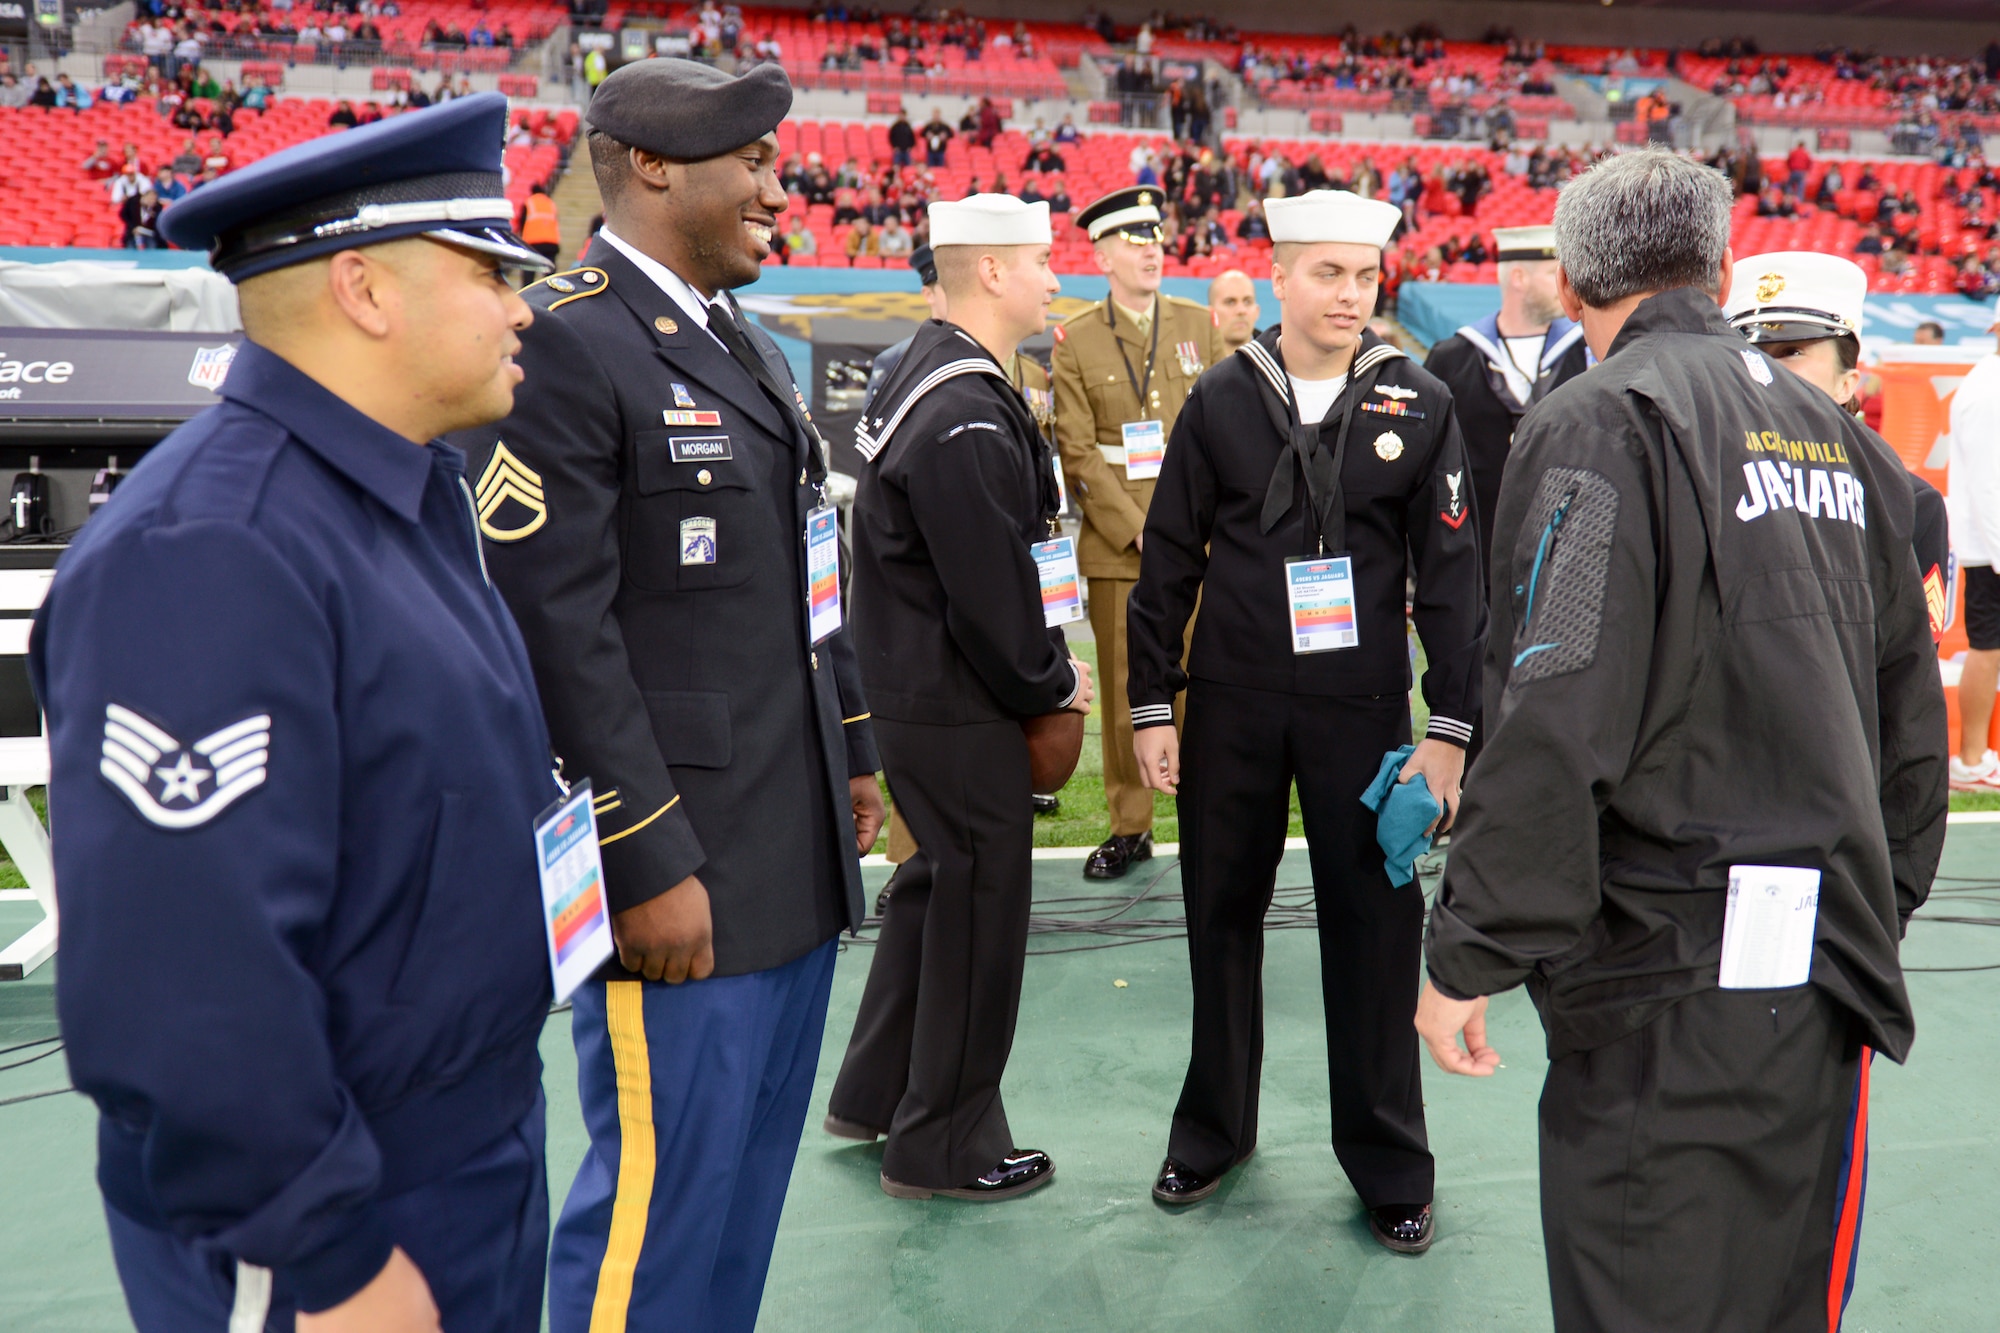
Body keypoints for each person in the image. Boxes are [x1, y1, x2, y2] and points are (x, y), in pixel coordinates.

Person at [34, 94, 559, 1333]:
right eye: (492, 272)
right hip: (334, 1211)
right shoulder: (215, 547)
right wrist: (326, 1254)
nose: (525, 307)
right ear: (366, 291)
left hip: (462, 1142)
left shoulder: (396, 494)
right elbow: (180, 978)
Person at [1417, 150, 1949, 1332]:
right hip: (1820, 965)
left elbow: (1553, 710)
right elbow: (1911, 733)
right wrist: (1875, 902)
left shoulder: (1601, 422)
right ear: (1716, 267)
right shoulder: (1841, 440)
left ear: (1566, 283)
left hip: (1659, 973)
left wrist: (1471, 949)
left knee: (1639, 1291)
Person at [455, 60, 884, 1333]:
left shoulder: (736, 337)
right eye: (748, 160)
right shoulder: (569, 342)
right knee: (657, 1205)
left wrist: (850, 744)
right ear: (650, 165)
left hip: (788, 849)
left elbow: (810, 570)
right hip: (680, 867)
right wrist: (638, 858)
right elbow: (552, 632)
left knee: (744, 1196)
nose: (772, 184)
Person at [1128, 190, 1484, 1254]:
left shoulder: (1417, 401)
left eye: (1363, 276)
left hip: (1365, 714)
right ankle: (1211, 1129)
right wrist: (1155, 702)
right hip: (1230, 704)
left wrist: (1450, 727)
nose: (1347, 294)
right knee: (1217, 916)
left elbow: (1455, 581)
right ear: (1275, 275)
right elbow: (1167, 555)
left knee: (1374, 937)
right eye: (1325, 273)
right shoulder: (1220, 398)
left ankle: (1388, 1160)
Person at [825, 194, 1093, 1200]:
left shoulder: (923, 370)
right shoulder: (967, 408)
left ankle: (877, 1091)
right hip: (959, 699)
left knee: (931, 893)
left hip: (914, 690)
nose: (1052, 278)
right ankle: (946, 1144)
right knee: (979, 910)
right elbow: (992, 598)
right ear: (990, 270)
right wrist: (1053, 681)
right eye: (1038, 261)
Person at [1051, 185, 1225, 881]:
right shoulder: (1075, 338)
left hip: (1202, 543)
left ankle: (1207, 815)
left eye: (1155, 236)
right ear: (1101, 255)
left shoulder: (1198, 324)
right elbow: (1078, 450)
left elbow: (1221, 433)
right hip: (1121, 548)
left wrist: (1187, 530)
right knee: (1131, 689)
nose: (1151, 248)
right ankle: (1131, 823)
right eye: (1133, 239)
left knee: (1206, 686)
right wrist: (1144, 531)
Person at [1723, 251, 1953, 644]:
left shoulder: (1909, 503)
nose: (1762, 371)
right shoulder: (1701, 481)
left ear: (1847, 384)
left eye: (1792, 352)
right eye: (1750, 353)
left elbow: (1911, 669)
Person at [1422, 225, 1591, 577]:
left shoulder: (1589, 355)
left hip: (1567, 566)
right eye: (1552, 273)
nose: (1567, 285)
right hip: (1475, 566)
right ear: (1518, 277)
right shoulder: (1451, 359)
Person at [1942, 296, 2000, 790]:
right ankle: (1971, 757)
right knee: (1988, 648)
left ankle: (1976, 756)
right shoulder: (1988, 392)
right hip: (1991, 548)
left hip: (1990, 543)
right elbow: (1988, 484)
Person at [1207, 267, 1261, 354]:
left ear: (1257, 311)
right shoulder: (1194, 359)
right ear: (1211, 314)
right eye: (1230, 302)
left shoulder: (1278, 358)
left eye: (1247, 302)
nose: (1241, 310)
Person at [519, 179, 561, 263]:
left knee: (530, 268)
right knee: (550, 269)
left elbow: (522, 221)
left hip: (533, 241)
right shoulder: (550, 203)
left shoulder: (529, 202)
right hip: (551, 241)